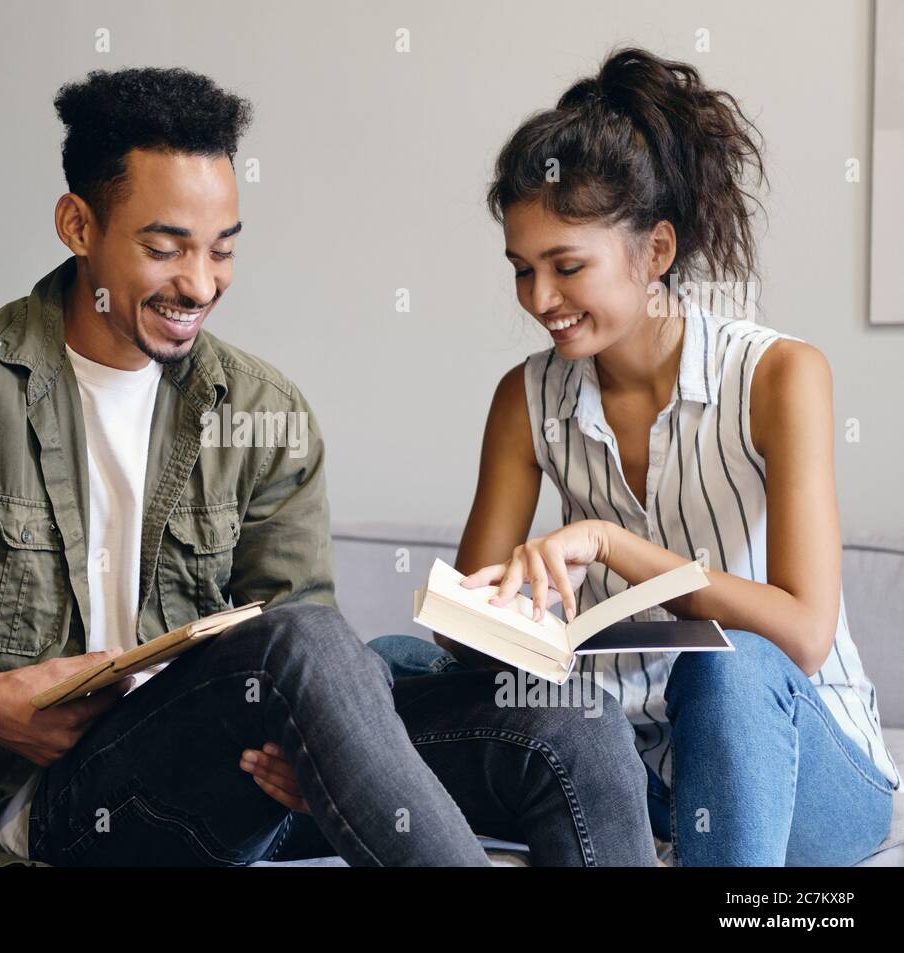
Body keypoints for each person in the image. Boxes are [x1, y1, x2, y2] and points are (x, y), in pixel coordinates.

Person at [0, 66, 657, 867]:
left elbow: (311, 643)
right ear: (78, 225)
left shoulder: (263, 413)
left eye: (222, 248)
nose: (200, 282)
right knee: (302, 641)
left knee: (568, 724)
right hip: (48, 799)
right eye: (163, 246)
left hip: (241, 784)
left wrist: (326, 749)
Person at [369, 48, 899, 866]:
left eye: (566, 266)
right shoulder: (526, 398)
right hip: (628, 760)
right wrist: (524, 617)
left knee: (731, 669)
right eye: (522, 270)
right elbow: (467, 642)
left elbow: (802, 634)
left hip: (799, 764)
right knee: (382, 666)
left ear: (654, 252)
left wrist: (611, 546)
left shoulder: (779, 376)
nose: (540, 300)